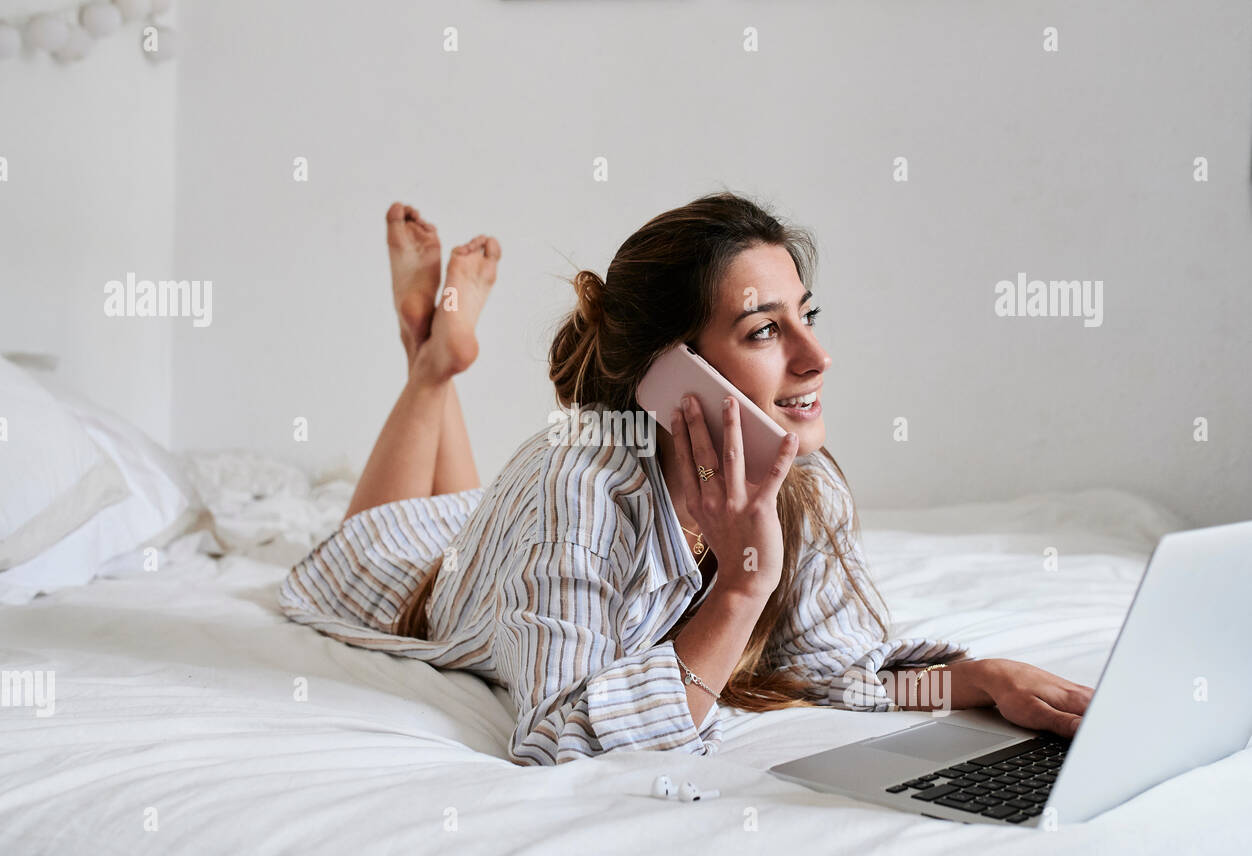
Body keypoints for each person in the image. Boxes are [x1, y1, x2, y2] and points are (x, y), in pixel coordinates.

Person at [279, 192, 1093, 767]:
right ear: (674, 373)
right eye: (765, 329)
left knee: (468, 509)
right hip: (420, 580)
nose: (817, 358)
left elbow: (834, 670)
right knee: (393, 524)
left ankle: (434, 350)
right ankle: (432, 365)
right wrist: (742, 588)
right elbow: (555, 735)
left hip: (494, 540)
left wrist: (975, 682)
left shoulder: (805, 485)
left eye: (805, 315)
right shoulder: (576, 477)